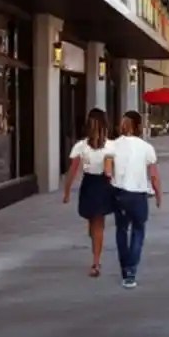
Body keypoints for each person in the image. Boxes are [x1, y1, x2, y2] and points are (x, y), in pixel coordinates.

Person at [104, 110, 161, 289]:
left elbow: (107, 171)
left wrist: (112, 183)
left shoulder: (112, 146)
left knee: (121, 230)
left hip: (119, 193)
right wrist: (158, 195)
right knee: (138, 230)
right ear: (139, 126)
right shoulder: (146, 148)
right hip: (138, 195)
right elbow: (154, 175)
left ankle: (125, 269)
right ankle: (131, 272)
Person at [62, 108, 115, 277]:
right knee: (97, 224)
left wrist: (67, 191)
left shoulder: (81, 146)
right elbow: (114, 170)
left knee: (95, 224)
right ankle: (96, 258)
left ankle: (96, 262)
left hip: (89, 184)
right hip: (103, 184)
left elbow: (72, 170)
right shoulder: (111, 146)